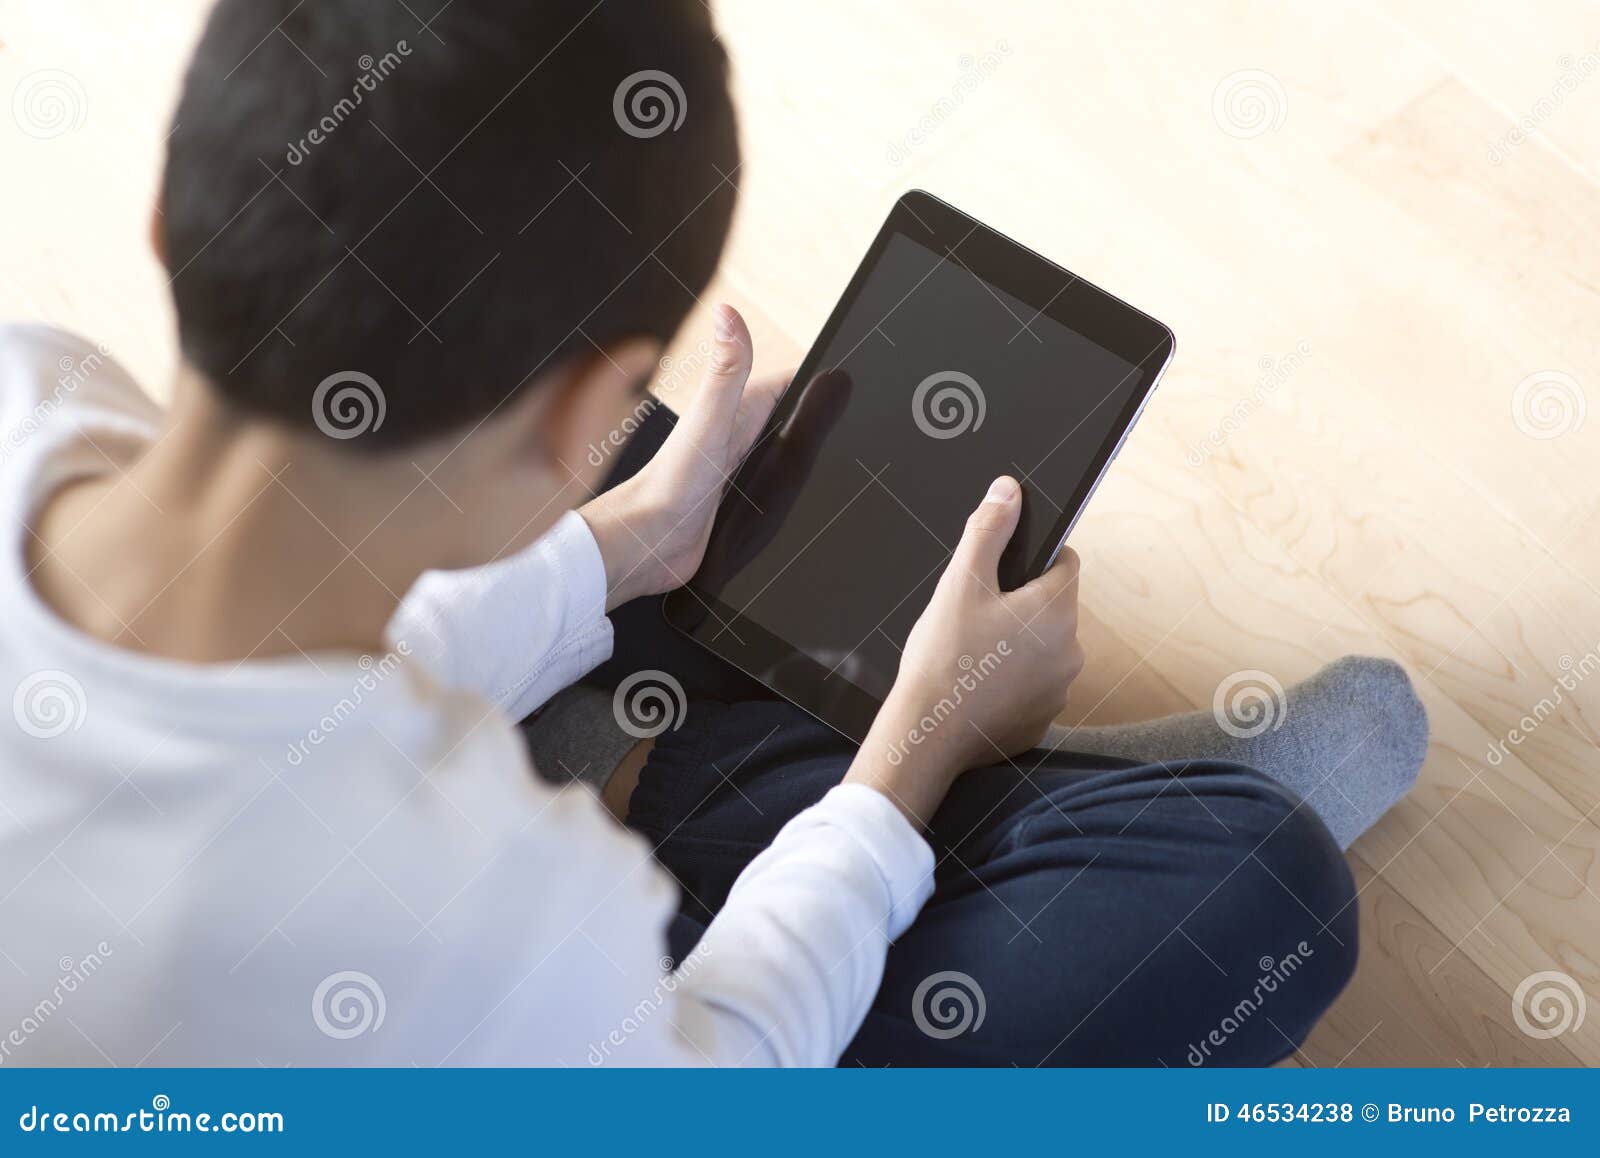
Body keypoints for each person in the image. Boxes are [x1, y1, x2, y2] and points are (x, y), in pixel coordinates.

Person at [0, 0, 1421, 1066]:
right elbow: (718, 1073)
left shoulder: (30, 379)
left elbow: (265, 689)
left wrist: (614, 543)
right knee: (1259, 886)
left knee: (671, 466)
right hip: (567, 1028)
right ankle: (930, 770)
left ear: (170, 215)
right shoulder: (472, 899)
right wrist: (909, 755)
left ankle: (747, 741)